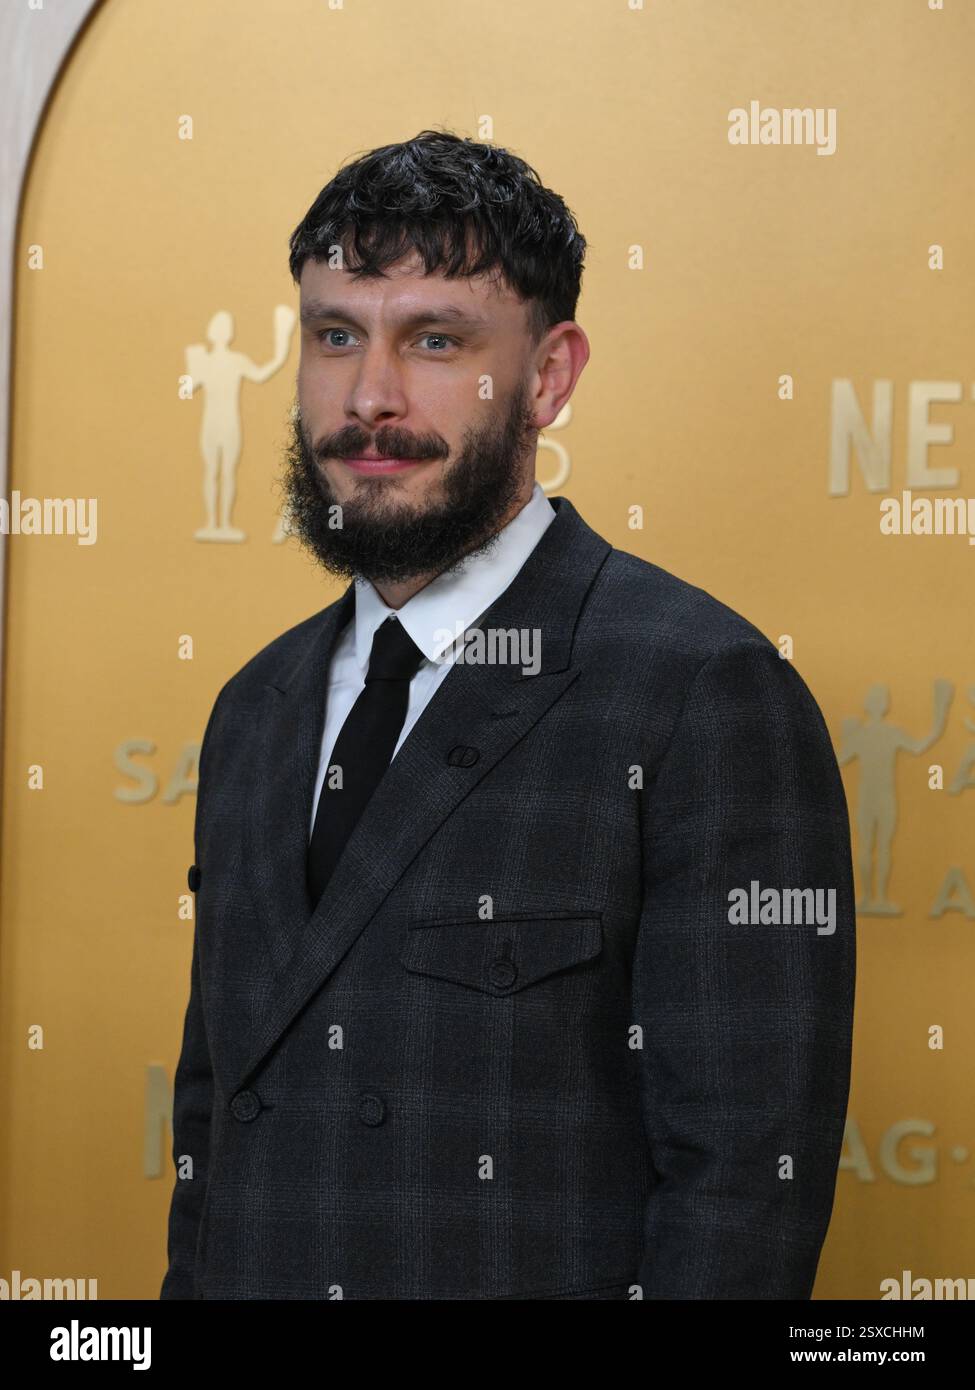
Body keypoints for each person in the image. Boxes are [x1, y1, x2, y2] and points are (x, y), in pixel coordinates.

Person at [161, 129, 856, 1301]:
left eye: (435, 341)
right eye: (336, 335)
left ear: (548, 374)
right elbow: (211, 1153)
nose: (369, 397)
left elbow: (741, 1198)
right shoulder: (256, 707)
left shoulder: (698, 692)